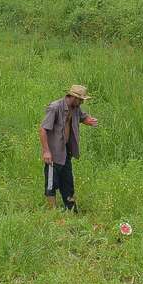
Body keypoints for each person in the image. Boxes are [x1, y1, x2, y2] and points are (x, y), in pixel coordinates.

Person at [38, 84, 98, 212]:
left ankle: (71, 210)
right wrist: (46, 151)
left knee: (68, 182)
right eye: (81, 99)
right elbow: (43, 129)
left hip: (66, 151)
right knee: (51, 183)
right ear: (74, 97)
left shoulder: (75, 108)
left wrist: (88, 120)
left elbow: (82, 117)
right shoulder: (55, 107)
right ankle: (53, 213)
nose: (82, 102)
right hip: (53, 153)